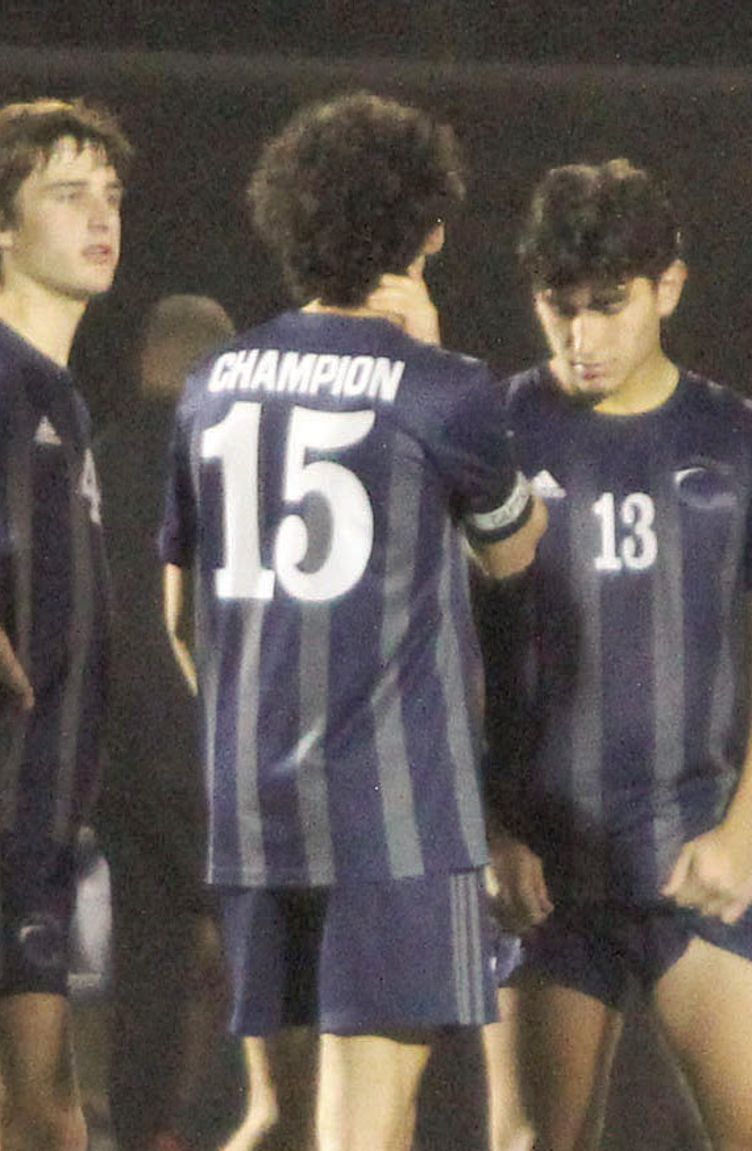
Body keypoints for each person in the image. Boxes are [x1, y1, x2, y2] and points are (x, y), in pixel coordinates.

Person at [158, 91, 545, 1151]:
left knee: (289, 1108)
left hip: (249, 811)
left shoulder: (211, 384)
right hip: (389, 808)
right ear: (425, 231)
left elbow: (182, 614)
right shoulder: (445, 389)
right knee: (365, 1121)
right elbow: (515, 555)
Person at [480, 158, 752, 1151]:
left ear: (669, 287)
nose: (582, 338)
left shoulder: (747, 437)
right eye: (559, 307)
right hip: (548, 870)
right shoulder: (491, 429)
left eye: (609, 306)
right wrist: (492, 830)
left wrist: (749, 832)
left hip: (696, 854)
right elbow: (446, 656)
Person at [0, 97, 130, 1151]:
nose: (101, 217)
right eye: (66, 194)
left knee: (42, 1111)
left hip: (39, 824)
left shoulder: (59, 395)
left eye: (111, 196)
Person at [95, 293, 235, 1151]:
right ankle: (250, 1121)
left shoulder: (100, 457)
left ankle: (148, 1133)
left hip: (121, 761)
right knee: (262, 962)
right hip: (220, 753)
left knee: (144, 972)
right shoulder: (229, 453)